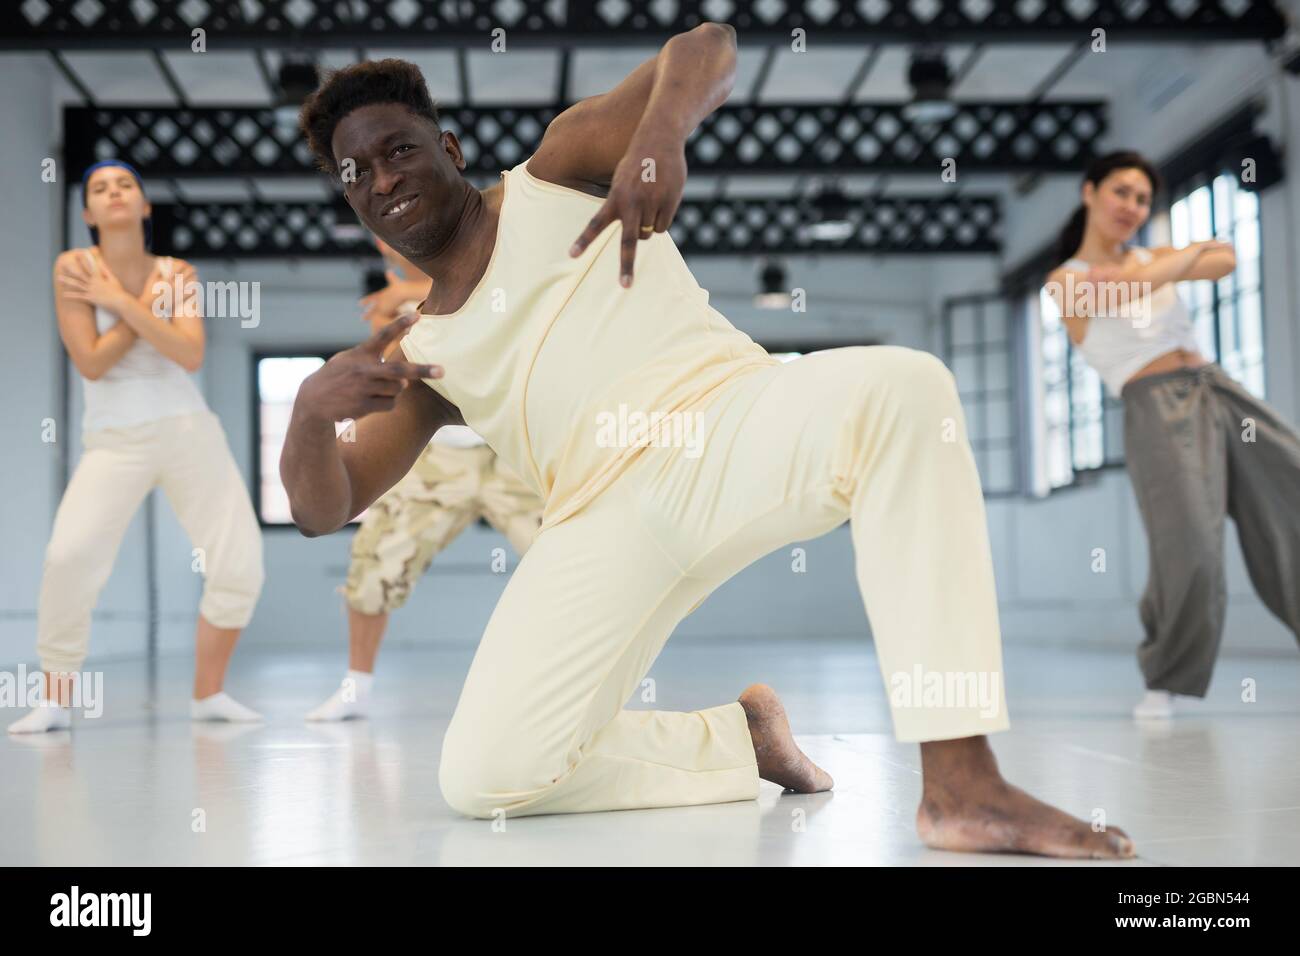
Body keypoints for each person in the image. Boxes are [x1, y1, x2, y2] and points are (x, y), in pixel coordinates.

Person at [283, 36, 1135, 858]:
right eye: (357, 173)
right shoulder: (420, 353)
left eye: (399, 149)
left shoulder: (555, 170)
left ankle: (961, 783)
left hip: (728, 420)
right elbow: (326, 507)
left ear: (451, 146)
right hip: (597, 522)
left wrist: (657, 136)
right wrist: (307, 418)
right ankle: (738, 742)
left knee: (907, 390)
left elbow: (708, 44)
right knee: (483, 777)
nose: (384, 178)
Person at [7, 161, 264, 734]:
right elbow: (92, 363)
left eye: (126, 185)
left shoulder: (178, 271)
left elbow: (190, 355)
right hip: (114, 438)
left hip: (188, 428)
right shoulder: (75, 268)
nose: (114, 193)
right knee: (69, 558)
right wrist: (146, 306)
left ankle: (208, 694)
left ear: (145, 206)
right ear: (87, 213)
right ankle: (54, 699)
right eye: (100, 188)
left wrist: (121, 304)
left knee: (240, 560)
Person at [1045, 150, 1300, 720]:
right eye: (1121, 192)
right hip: (1156, 407)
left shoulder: (1149, 257)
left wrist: (1153, 268)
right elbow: (1110, 295)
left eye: (1142, 199)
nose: (1132, 207)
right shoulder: (1064, 280)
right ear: (1090, 192)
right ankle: (1165, 677)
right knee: (1191, 546)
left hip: (1219, 390)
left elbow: (1226, 257)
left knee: (1293, 494)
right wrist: (1177, 261)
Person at [308, 239, 544, 721]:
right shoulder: (385, 304)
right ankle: (357, 688)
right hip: (433, 456)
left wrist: (412, 295)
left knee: (575, 553)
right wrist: (400, 309)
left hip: (509, 444)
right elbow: (388, 369)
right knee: (374, 566)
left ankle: (592, 686)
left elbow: (504, 297)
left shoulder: (490, 255)